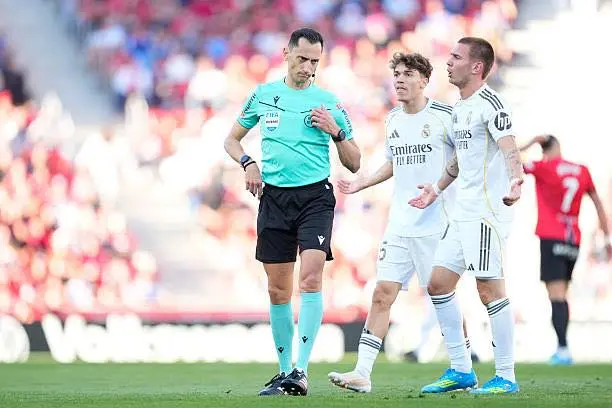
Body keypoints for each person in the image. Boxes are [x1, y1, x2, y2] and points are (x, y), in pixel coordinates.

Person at [223, 27, 361, 396]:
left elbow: (355, 162)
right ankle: (285, 371)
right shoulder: (264, 95)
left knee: (311, 279)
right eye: (302, 59)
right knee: (278, 289)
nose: (308, 67)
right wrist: (248, 163)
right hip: (274, 199)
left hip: (315, 198)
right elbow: (231, 140)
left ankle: (301, 370)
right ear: (286, 53)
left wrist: (335, 132)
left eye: (315, 61)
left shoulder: (329, 103)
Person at [325, 52, 473, 393]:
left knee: (441, 294)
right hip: (400, 225)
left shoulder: (445, 116)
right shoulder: (392, 119)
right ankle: (362, 373)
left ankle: (462, 367)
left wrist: (439, 189)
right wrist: (362, 182)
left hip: (437, 223)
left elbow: (466, 157)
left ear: (424, 80)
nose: (400, 80)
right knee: (382, 293)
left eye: (408, 74)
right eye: (397, 75)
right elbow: (393, 163)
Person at [409, 37, 523, 395]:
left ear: (476, 66)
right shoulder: (459, 108)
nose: (448, 62)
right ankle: (461, 370)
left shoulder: (492, 104)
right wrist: (436, 188)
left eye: (456, 57)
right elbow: (461, 159)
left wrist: (516, 180)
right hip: (462, 213)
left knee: (489, 289)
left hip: (487, 213)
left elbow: (509, 147)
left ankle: (506, 376)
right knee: (438, 284)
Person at [520, 134, 611, 365]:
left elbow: (513, 159)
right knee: (563, 294)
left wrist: (531, 142)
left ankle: (562, 349)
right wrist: (607, 236)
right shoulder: (582, 170)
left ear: (543, 149)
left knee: (556, 296)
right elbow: (597, 202)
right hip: (573, 240)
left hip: (551, 236)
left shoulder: (543, 167)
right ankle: (563, 347)